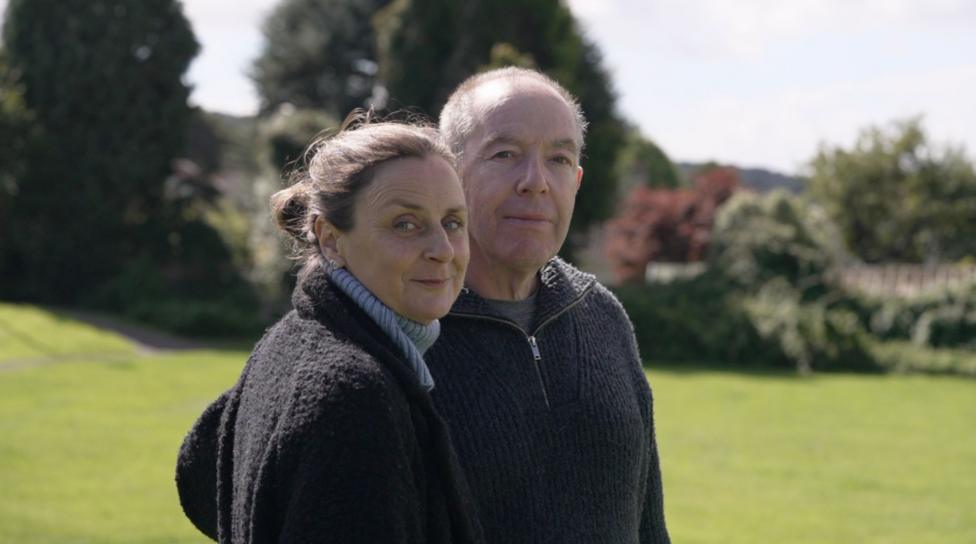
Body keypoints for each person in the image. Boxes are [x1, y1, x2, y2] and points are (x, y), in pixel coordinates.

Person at [175, 118, 483, 543]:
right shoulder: (353, 392)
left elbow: (198, 468)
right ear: (331, 239)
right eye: (405, 224)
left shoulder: (291, 341)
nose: (442, 251)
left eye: (452, 222)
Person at [424, 67, 671, 543]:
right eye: (505, 154)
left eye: (558, 159)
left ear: (576, 181)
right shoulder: (407, 329)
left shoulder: (603, 317)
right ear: (449, 172)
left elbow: (649, 522)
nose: (535, 182)